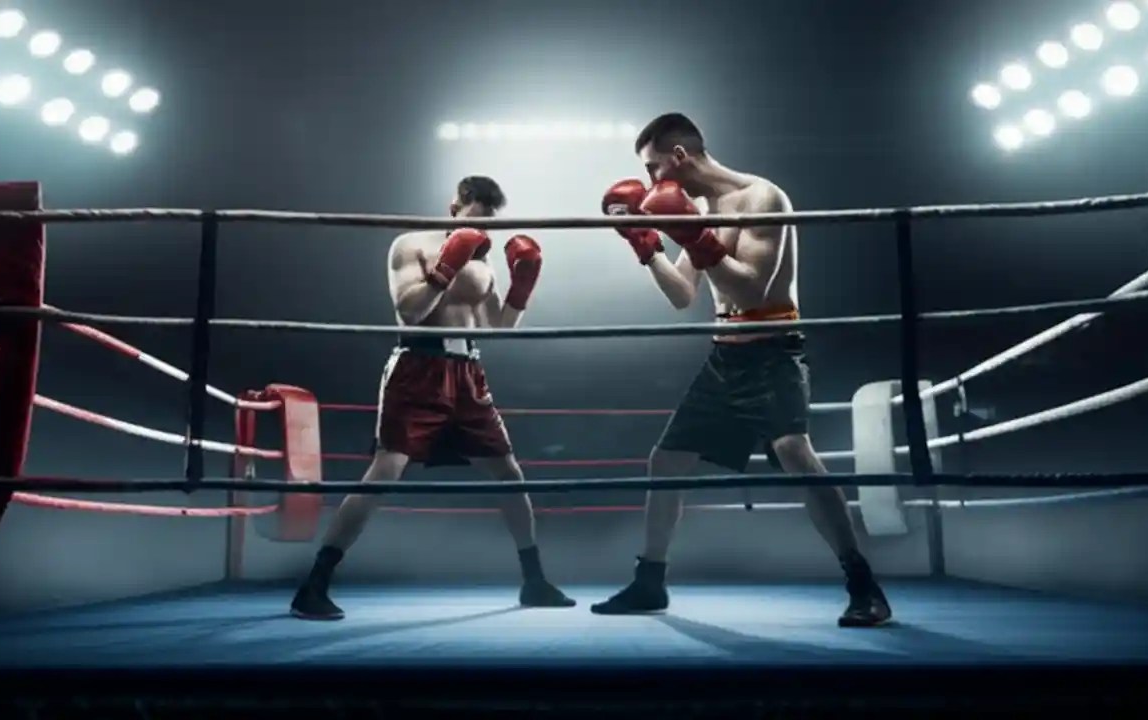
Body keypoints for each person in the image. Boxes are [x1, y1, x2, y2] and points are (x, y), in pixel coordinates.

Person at [591, 113, 892, 627]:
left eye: (654, 167)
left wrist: (694, 237)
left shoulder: (762, 199)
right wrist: (646, 246)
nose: (649, 182)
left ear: (680, 156)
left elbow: (752, 288)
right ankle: (650, 582)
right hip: (725, 354)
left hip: (774, 349)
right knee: (665, 461)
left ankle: (864, 585)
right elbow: (684, 296)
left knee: (796, 454)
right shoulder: (699, 209)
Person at [290, 175, 575, 620]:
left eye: (491, 227)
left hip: (469, 373)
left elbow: (498, 327)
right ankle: (314, 585)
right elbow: (410, 310)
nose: (485, 235)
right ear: (456, 207)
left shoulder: (484, 262)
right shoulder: (411, 244)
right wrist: (446, 265)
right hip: (418, 368)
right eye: (478, 222)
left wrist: (523, 284)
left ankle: (534, 581)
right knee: (383, 474)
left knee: (510, 475)